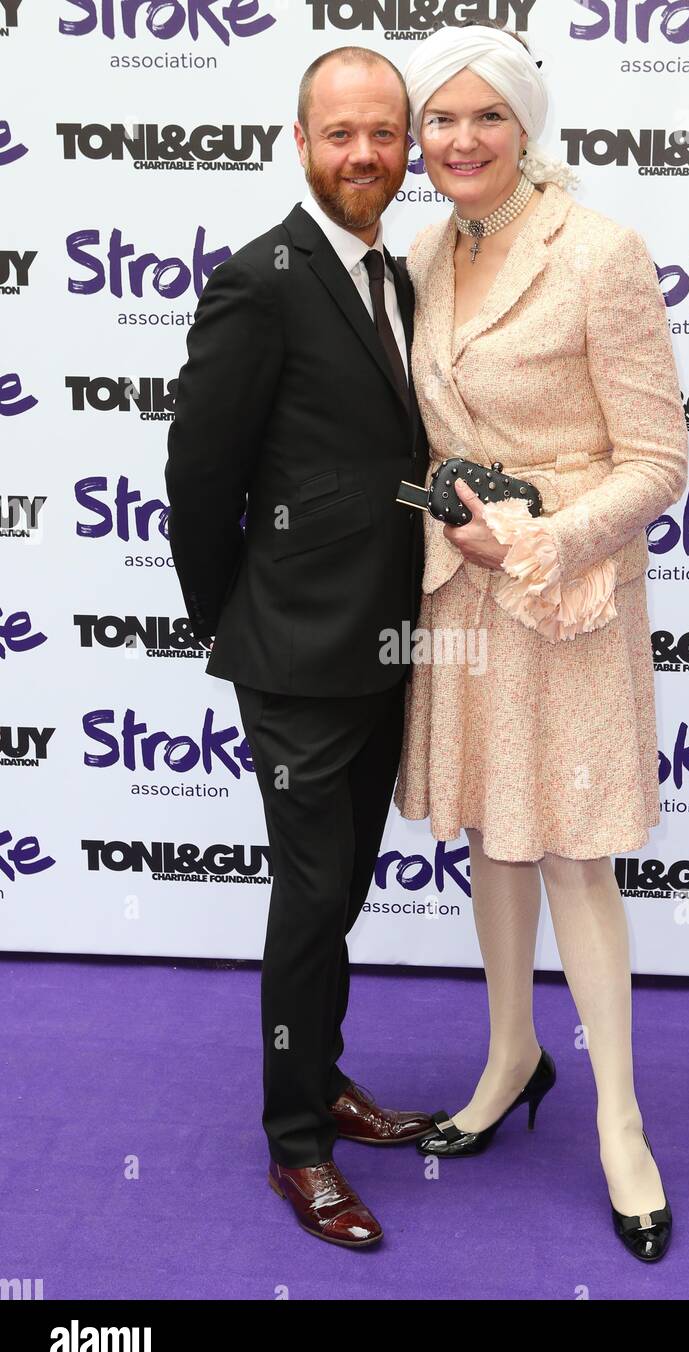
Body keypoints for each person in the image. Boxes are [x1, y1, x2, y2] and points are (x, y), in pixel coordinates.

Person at [394, 21, 689, 1262]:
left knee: (571, 854)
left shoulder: (600, 252)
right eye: (439, 121)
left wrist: (537, 537)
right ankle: (510, 1056)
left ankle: (620, 1121)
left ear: (525, 129)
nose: (458, 142)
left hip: (563, 606)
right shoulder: (423, 249)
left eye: (485, 119)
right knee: (488, 832)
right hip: (461, 604)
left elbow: (657, 463)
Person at [164, 47, 435, 1250]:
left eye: (385, 134)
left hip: (384, 647)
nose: (365, 155)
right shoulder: (260, 280)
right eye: (342, 135)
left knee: (340, 893)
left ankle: (321, 1080)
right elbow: (197, 476)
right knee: (309, 897)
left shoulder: (399, 275)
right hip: (292, 659)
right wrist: (231, 622)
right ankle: (296, 1147)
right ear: (300, 140)